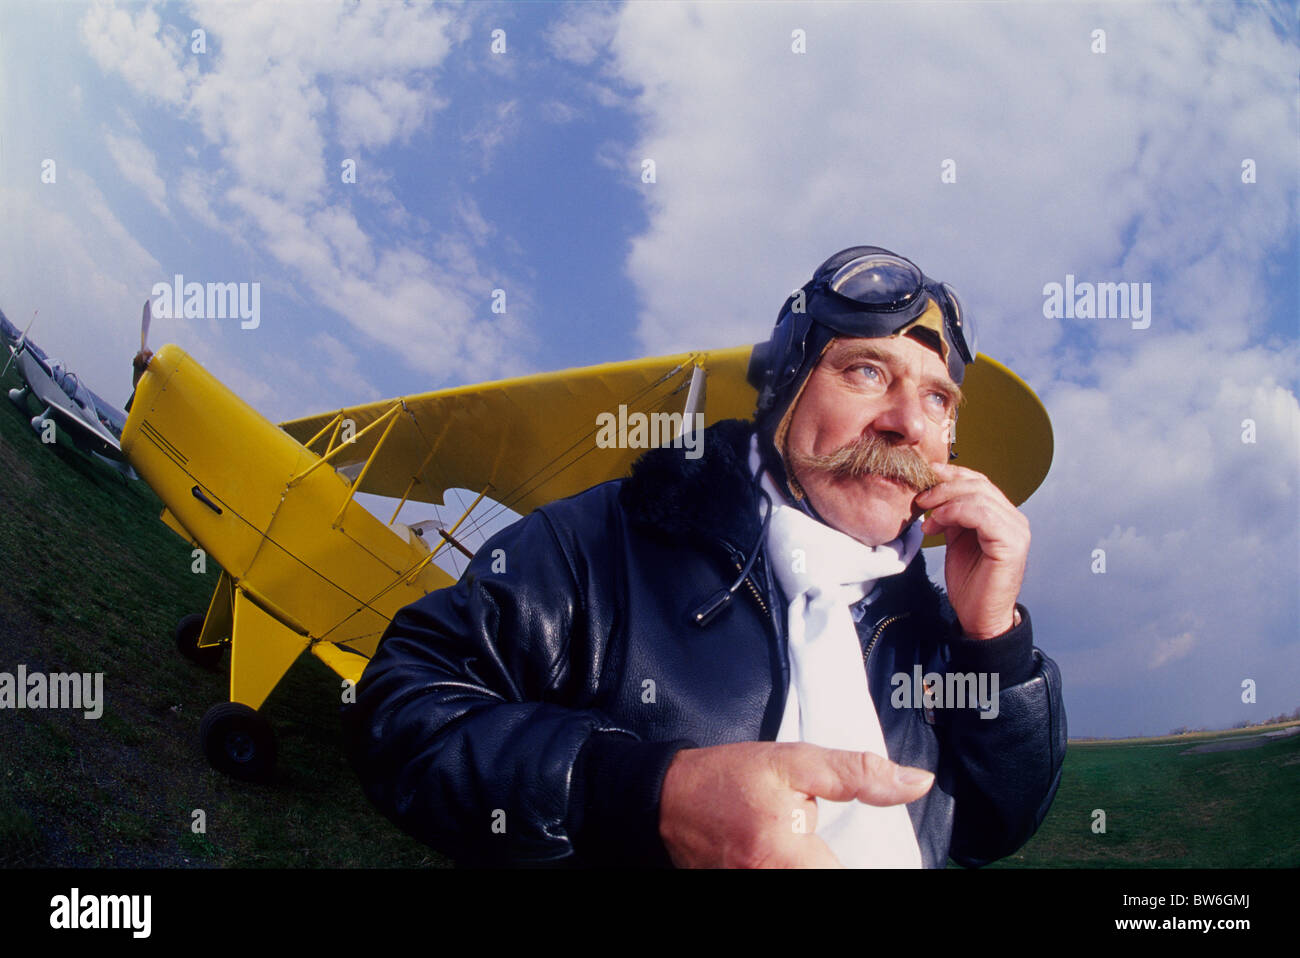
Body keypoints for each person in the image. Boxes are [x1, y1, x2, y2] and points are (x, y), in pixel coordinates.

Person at [342, 245, 1066, 868]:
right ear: (784, 392)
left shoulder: (935, 625)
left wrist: (994, 642)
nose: (907, 422)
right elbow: (402, 712)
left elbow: (990, 828)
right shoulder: (601, 538)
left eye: (938, 399)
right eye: (866, 372)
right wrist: (647, 794)